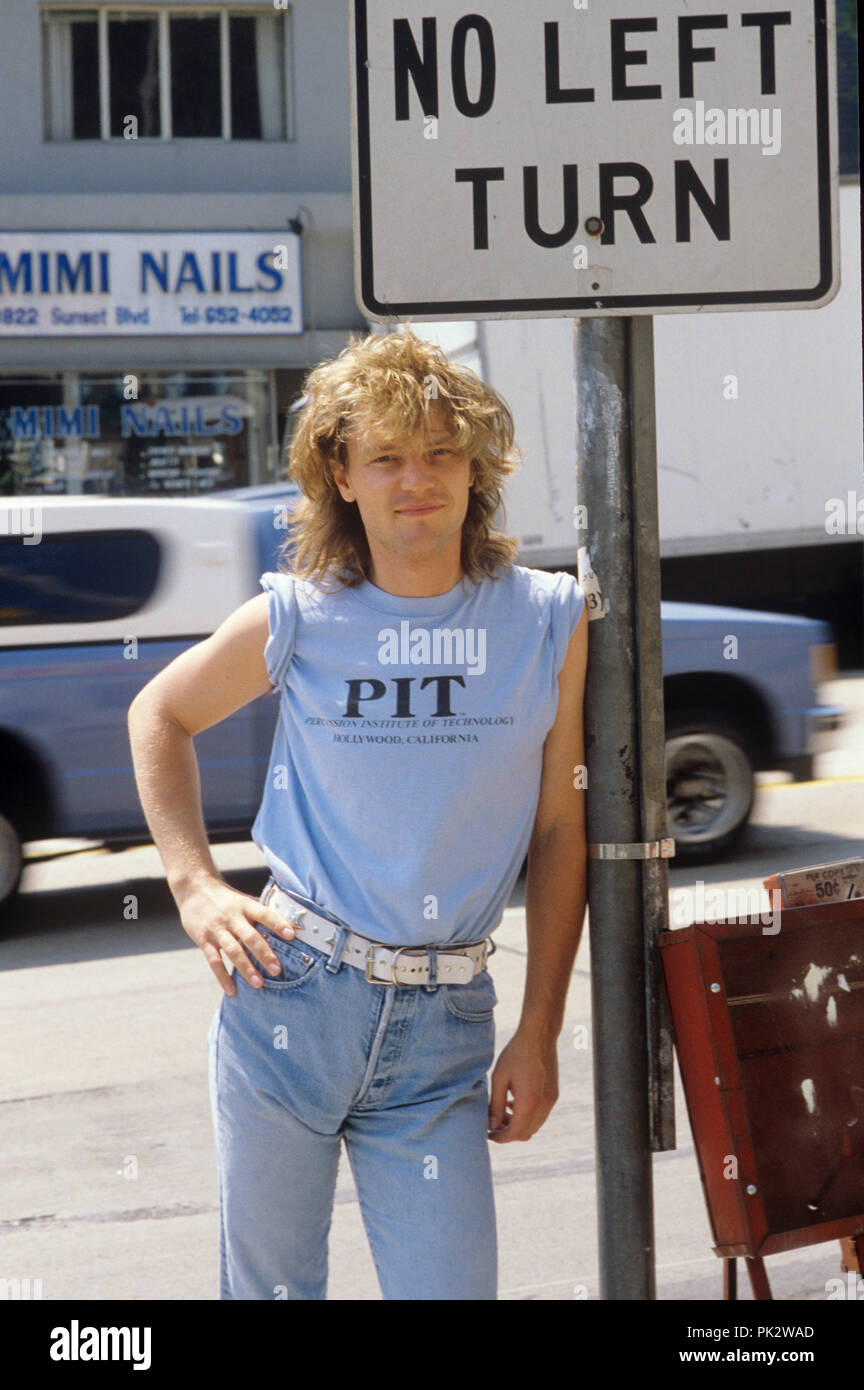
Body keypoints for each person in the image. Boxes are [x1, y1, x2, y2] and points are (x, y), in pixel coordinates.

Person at [127, 327, 588, 1301]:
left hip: (445, 1027)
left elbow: (557, 830)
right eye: (385, 456)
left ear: (477, 466)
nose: (414, 480)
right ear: (342, 471)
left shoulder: (546, 619)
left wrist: (541, 1025)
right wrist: (194, 883)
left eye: (439, 453)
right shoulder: (300, 616)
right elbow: (158, 713)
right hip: (291, 1001)